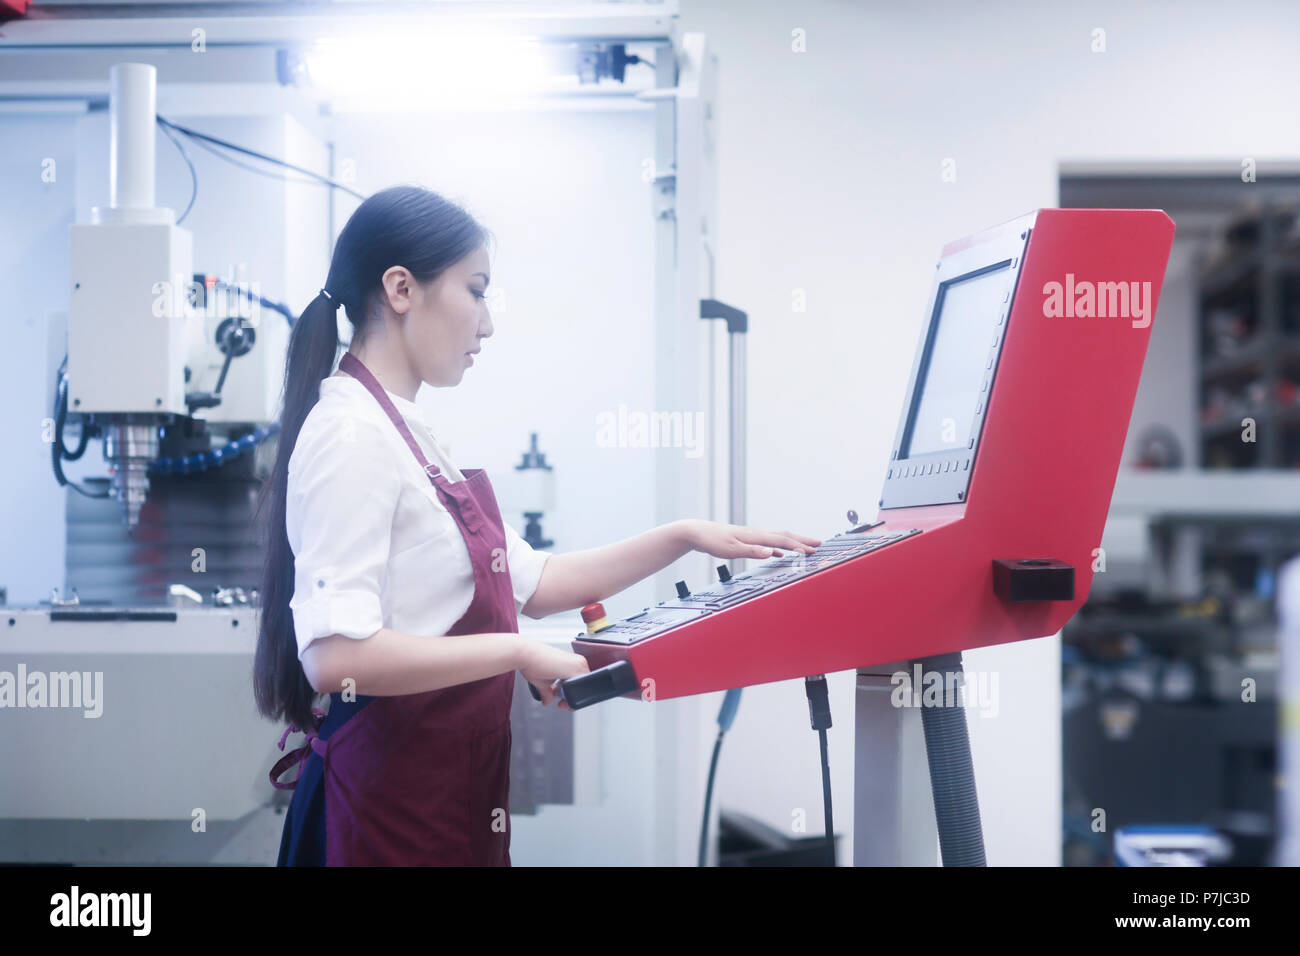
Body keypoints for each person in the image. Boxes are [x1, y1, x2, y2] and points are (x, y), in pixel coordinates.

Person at [254, 184, 821, 866]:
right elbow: (337, 658)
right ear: (401, 288)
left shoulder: (404, 432)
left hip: (443, 797)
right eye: (477, 289)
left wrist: (684, 536)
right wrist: (517, 651)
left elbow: (536, 580)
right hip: (389, 811)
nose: (488, 324)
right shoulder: (351, 435)